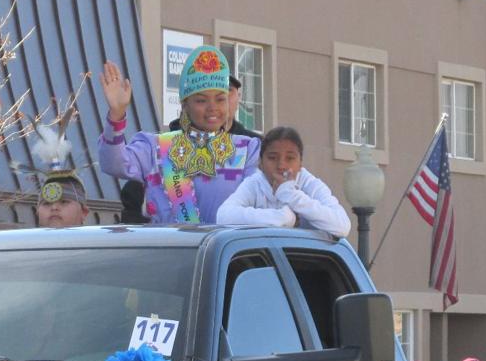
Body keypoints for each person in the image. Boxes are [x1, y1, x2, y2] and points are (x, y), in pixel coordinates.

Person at [99, 46, 260, 225]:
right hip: (171, 244)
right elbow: (113, 164)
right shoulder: (155, 148)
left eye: (220, 99)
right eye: (201, 100)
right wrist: (116, 115)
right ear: (185, 105)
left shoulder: (247, 150)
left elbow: (259, 203)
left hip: (227, 244)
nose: (212, 107)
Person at [215, 126, 350, 238]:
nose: (281, 166)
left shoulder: (310, 184)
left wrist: (290, 194)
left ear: (300, 164)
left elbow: (342, 226)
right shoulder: (255, 183)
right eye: (272, 158)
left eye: (290, 158)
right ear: (260, 163)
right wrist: (284, 218)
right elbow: (224, 216)